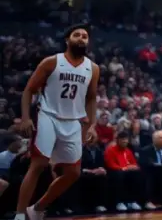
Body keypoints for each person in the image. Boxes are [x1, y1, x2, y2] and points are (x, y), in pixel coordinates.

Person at [14, 24, 99, 220]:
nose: (81, 38)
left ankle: (36, 209)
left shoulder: (93, 69)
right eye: (76, 35)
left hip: (72, 121)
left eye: (85, 36)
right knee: (39, 164)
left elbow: (91, 98)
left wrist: (92, 124)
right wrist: (26, 118)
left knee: (73, 173)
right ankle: (19, 214)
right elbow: (29, 90)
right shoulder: (51, 62)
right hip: (48, 116)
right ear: (67, 40)